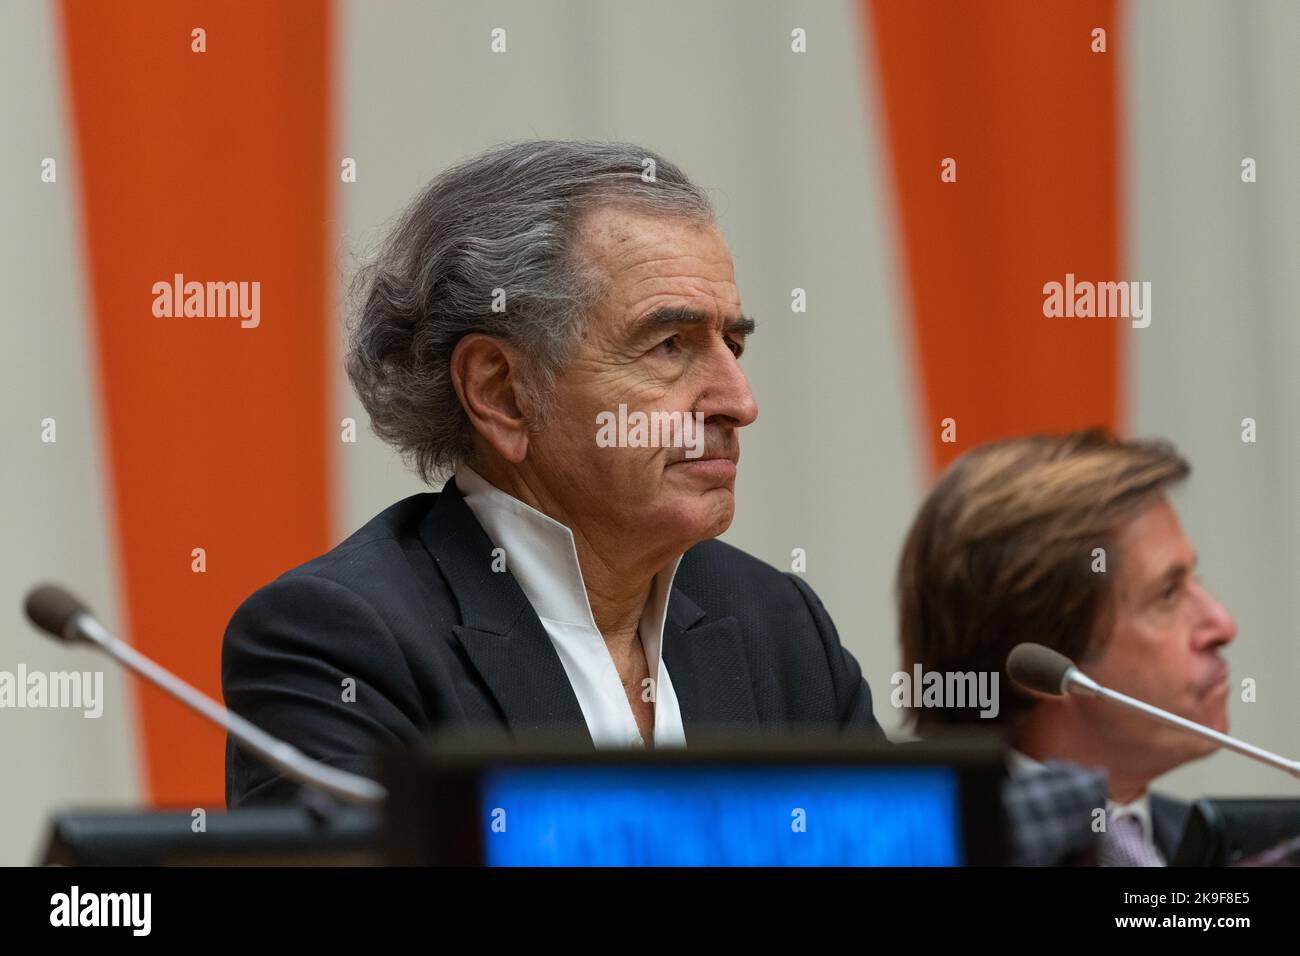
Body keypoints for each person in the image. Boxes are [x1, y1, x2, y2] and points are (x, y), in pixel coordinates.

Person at [221, 140, 883, 807]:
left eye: (731, 345)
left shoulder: (779, 627)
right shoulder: (342, 644)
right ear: (503, 392)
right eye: (669, 346)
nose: (740, 402)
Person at [896, 430, 1237, 864]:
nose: (1223, 624)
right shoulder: (933, 851)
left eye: (1195, 579)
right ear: (1043, 660)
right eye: (1167, 594)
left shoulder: (1218, 845)